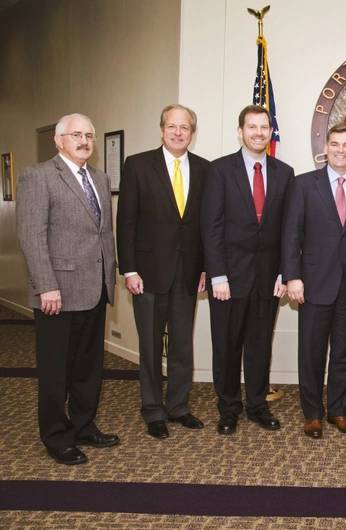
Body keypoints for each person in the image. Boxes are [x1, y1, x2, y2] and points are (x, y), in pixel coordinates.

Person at [16, 113, 119, 465]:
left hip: (95, 288)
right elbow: (31, 236)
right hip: (57, 292)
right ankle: (56, 437)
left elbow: (103, 233)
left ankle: (84, 426)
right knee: (56, 370)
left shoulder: (100, 178)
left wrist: (110, 277)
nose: (84, 141)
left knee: (88, 367)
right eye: (76, 134)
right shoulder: (39, 176)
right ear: (58, 140)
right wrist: (46, 285)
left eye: (89, 135)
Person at [282, 124, 346, 438]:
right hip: (314, 284)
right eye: (335, 144)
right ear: (326, 148)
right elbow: (291, 234)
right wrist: (293, 277)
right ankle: (312, 414)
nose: (340, 150)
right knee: (311, 352)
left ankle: (338, 410)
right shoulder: (303, 184)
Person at [117, 104, 210, 439]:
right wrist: (129, 269)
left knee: (182, 345)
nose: (178, 132)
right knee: (151, 345)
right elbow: (125, 222)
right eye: (172, 126)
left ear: (192, 133)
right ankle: (153, 409)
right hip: (148, 273)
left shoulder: (205, 169)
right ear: (162, 129)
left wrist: (205, 267)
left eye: (185, 127)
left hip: (188, 274)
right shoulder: (138, 165)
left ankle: (178, 406)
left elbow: (206, 225)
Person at [201, 104, 293, 435]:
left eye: (264, 127)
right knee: (226, 346)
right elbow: (211, 226)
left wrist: (285, 272)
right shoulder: (219, 170)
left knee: (259, 346)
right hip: (228, 278)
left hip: (268, 279)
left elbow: (288, 229)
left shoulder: (285, 173)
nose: (258, 133)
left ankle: (257, 405)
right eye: (252, 127)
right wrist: (217, 274)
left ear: (271, 132)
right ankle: (228, 408)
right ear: (240, 132)